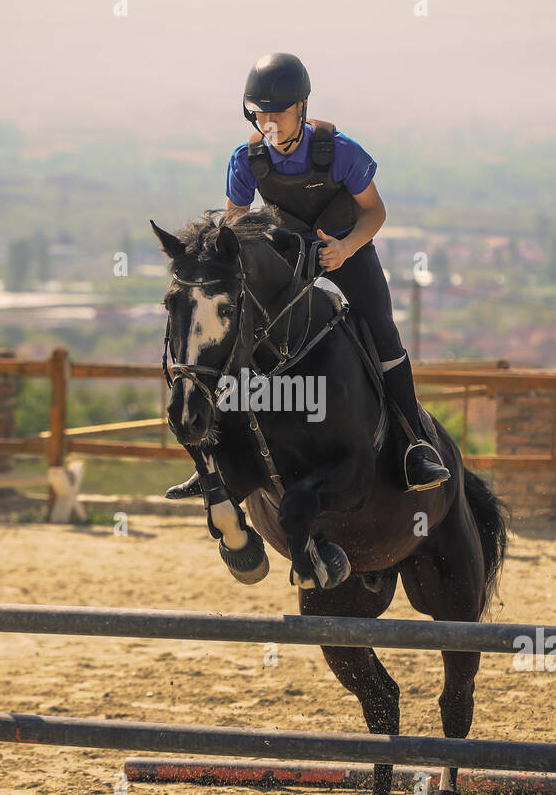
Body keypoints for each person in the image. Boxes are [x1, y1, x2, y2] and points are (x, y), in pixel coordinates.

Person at [165, 51, 451, 498]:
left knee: (382, 332)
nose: (270, 123)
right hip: (287, 254)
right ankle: (220, 460)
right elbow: (235, 225)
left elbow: (375, 212)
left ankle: (413, 444)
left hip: (346, 248)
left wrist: (346, 247)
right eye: (261, 115)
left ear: (301, 108)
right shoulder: (245, 160)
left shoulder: (341, 152)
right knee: (239, 337)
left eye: (278, 112)